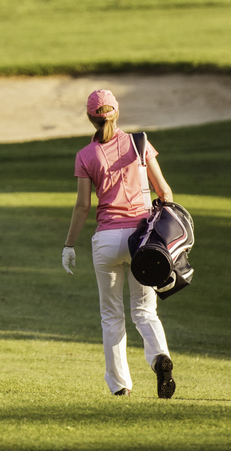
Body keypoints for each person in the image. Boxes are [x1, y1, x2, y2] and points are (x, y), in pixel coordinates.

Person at [61, 89, 178, 398]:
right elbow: (164, 192)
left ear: (90, 119)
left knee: (111, 316)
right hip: (142, 240)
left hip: (106, 241)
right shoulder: (139, 144)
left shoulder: (85, 156)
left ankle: (120, 387)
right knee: (145, 310)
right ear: (116, 112)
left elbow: (83, 207)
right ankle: (159, 357)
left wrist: (69, 245)